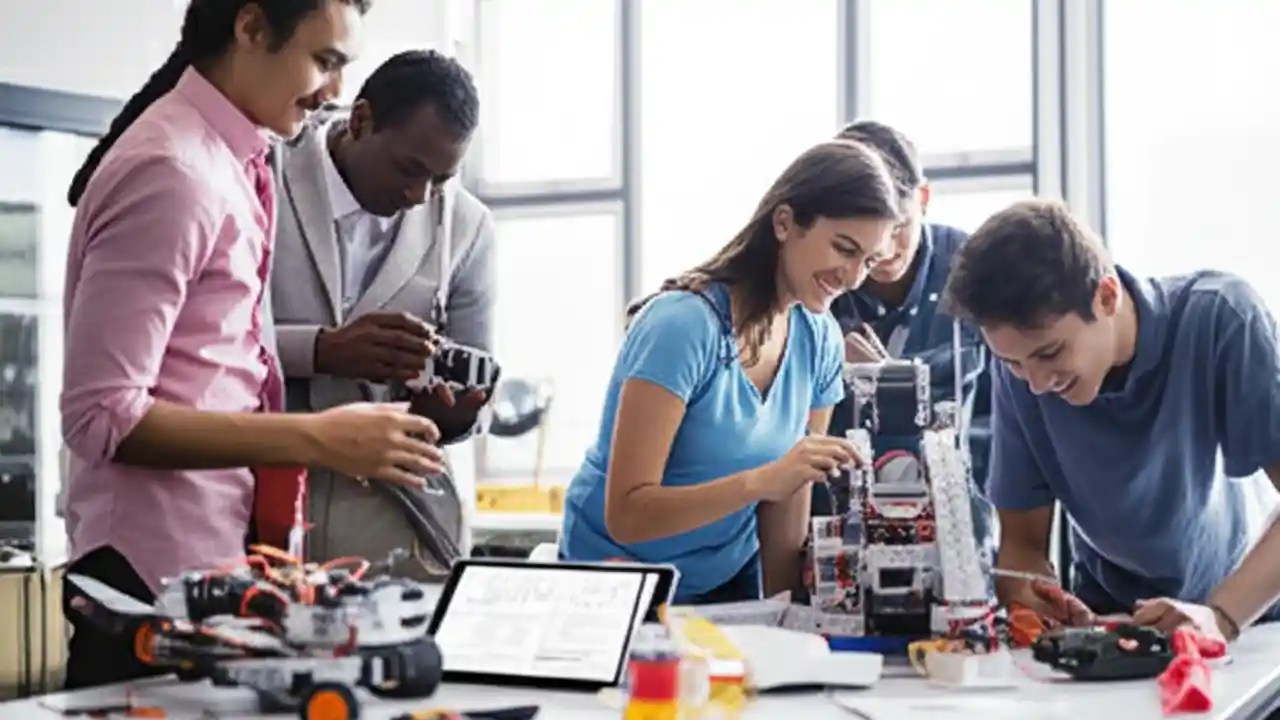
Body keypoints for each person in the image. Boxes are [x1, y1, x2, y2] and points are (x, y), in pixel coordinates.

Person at [60, 0, 443, 689]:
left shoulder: (233, 159)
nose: (334, 91)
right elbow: (102, 416)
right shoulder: (170, 170)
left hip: (216, 581)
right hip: (149, 591)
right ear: (250, 27)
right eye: (324, 61)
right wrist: (315, 439)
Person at [559, 139, 904, 604]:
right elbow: (627, 512)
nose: (853, 276)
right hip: (614, 580)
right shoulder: (682, 325)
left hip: (723, 577)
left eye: (868, 260)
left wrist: (782, 616)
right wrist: (763, 479)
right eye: (844, 248)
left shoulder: (818, 338)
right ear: (784, 223)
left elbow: (791, 489)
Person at [942, 199, 1280, 640]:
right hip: (1112, 621)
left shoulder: (1222, 319)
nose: (1038, 384)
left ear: (1105, 296)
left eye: (1050, 353)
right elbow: (1022, 544)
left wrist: (1220, 616)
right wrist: (1031, 591)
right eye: (1013, 363)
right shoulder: (1022, 379)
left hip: (1251, 612)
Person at [270, 49, 494, 579]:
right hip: (265, 505)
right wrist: (321, 350)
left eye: (441, 178)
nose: (420, 196)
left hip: (398, 525)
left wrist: (456, 415)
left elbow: (480, 371)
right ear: (361, 120)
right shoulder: (265, 173)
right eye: (409, 169)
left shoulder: (466, 226)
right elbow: (209, 344)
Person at [816, 120, 992, 518]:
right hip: (835, 519)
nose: (884, 249)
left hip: (953, 518)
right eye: (863, 233)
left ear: (924, 199)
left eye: (899, 227)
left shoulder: (975, 271)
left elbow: (1009, 415)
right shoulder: (815, 286)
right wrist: (822, 359)